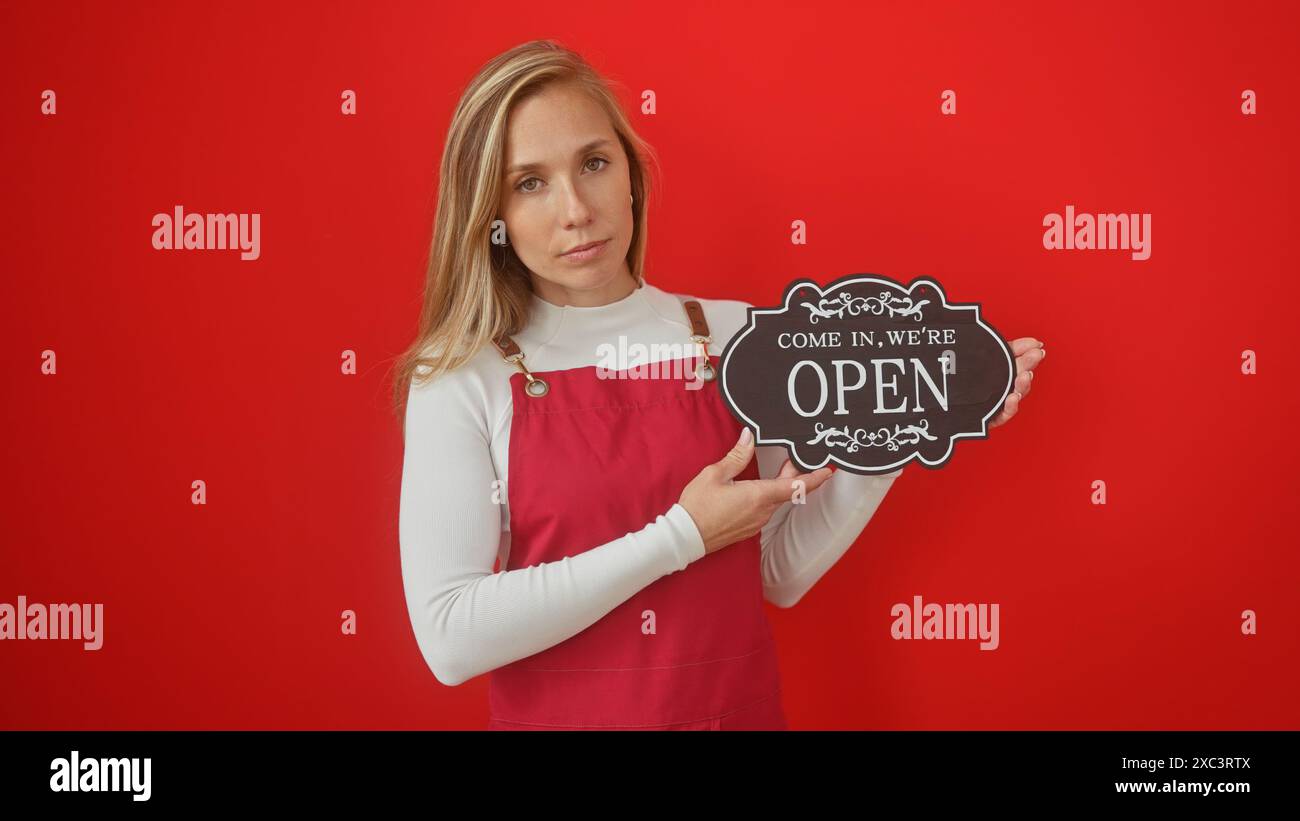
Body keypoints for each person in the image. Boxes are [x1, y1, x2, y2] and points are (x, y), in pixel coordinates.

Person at [392, 40, 1044, 730]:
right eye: (530, 182)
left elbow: (775, 574)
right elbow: (451, 638)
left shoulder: (735, 337)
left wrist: (892, 428)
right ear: (490, 215)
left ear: (630, 174)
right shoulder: (465, 373)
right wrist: (681, 535)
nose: (576, 209)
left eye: (594, 163)